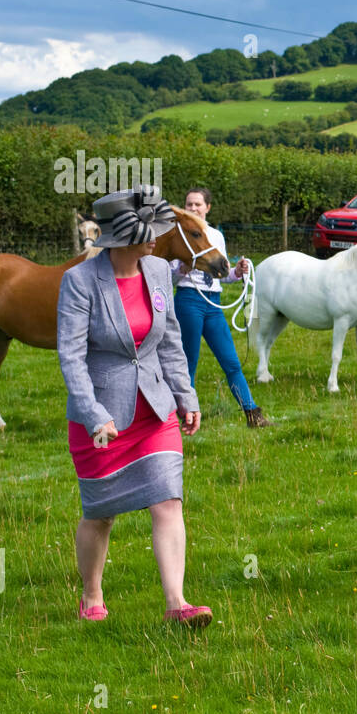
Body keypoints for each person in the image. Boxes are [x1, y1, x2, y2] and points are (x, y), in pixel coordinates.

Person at [57, 186, 212, 627]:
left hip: (155, 409)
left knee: (168, 501)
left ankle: (177, 604)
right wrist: (93, 414)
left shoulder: (160, 269)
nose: (157, 238)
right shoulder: (80, 281)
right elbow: (70, 355)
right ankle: (91, 593)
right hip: (102, 418)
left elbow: (170, 341)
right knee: (100, 515)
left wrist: (185, 395)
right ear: (124, 235)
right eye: (149, 231)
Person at [170, 188, 270, 428]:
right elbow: (169, 278)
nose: (192, 208)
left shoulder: (215, 235)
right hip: (188, 299)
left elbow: (221, 275)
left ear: (208, 207)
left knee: (231, 361)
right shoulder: (179, 235)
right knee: (188, 362)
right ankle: (186, 417)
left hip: (213, 304)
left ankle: (252, 414)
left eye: (197, 204)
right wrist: (181, 270)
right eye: (189, 204)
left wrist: (237, 272)